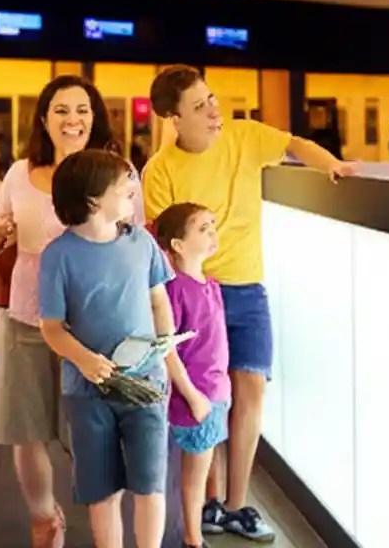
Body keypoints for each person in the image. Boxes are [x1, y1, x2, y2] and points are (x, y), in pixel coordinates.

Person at [141, 65, 356, 542]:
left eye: (211, 98)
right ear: (173, 118)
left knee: (250, 390)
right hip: (196, 297)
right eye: (199, 106)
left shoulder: (244, 136)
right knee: (212, 398)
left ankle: (238, 503)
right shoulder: (160, 170)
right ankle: (210, 502)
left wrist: (334, 166)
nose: (214, 110)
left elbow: (294, 144)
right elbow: (161, 245)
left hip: (247, 288)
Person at [0, 75, 135, 548]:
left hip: (93, 326)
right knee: (26, 431)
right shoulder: (19, 172)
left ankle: (103, 525)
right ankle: (44, 518)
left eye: (83, 109)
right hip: (25, 317)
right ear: (44, 119)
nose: (73, 120)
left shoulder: (120, 173)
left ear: (96, 116)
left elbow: (136, 244)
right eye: (62, 110)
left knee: (92, 433)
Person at [38, 150, 202, 548]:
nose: (133, 189)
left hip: (146, 386)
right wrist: (84, 359)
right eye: (123, 186)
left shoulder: (141, 242)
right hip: (87, 393)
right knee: (102, 489)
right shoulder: (58, 256)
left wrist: (167, 355)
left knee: (150, 484)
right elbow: (52, 328)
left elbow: (159, 302)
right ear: (94, 199)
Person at [154, 203, 231, 548]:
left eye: (212, 225)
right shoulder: (175, 290)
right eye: (202, 228)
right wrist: (192, 394)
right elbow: (167, 348)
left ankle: (191, 534)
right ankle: (192, 538)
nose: (212, 232)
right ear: (178, 245)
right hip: (195, 396)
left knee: (203, 466)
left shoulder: (211, 284)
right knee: (193, 474)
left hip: (215, 391)